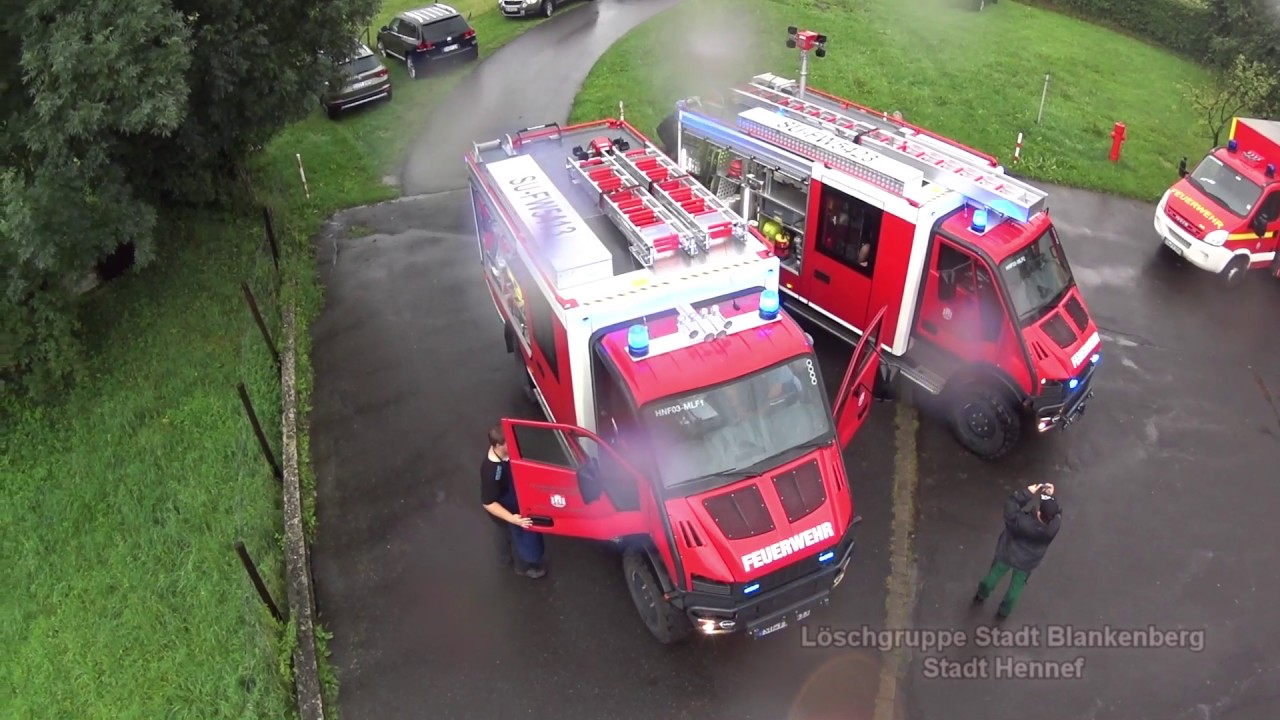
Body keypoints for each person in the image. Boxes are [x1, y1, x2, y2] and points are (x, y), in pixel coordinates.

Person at [973, 482, 1060, 618]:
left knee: (991, 579)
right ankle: (1004, 611)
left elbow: (1011, 505)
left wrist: (1027, 493)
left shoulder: (1022, 523)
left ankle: (981, 594)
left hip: (1008, 554)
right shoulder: (1054, 527)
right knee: (1015, 589)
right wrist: (1049, 497)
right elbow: (1054, 512)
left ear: (1039, 512)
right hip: (1027, 563)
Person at [480, 425, 546, 578]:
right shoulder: (492, 472)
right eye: (508, 443)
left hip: (503, 513)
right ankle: (523, 568)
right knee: (518, 538)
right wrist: (513, 518)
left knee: (502, 533)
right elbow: (488, 502)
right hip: (507, 511)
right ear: (498, 445)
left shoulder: (499, 455)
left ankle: (503, 559)